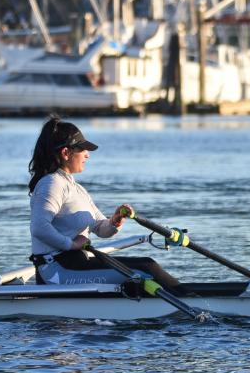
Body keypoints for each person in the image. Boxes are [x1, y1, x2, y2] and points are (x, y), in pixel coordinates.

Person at [28, 117, 185, 293]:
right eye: (82, 149)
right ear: (66, 153)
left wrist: (115, 221)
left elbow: (101, 229)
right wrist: (70, 245)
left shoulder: (77, 189)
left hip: (76, 264)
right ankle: (194, 299)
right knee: (145, 268)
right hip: (56, 272)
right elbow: (39, 228)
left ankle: (188, 295)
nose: (87, 154)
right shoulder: (51, 184)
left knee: (146, 265)